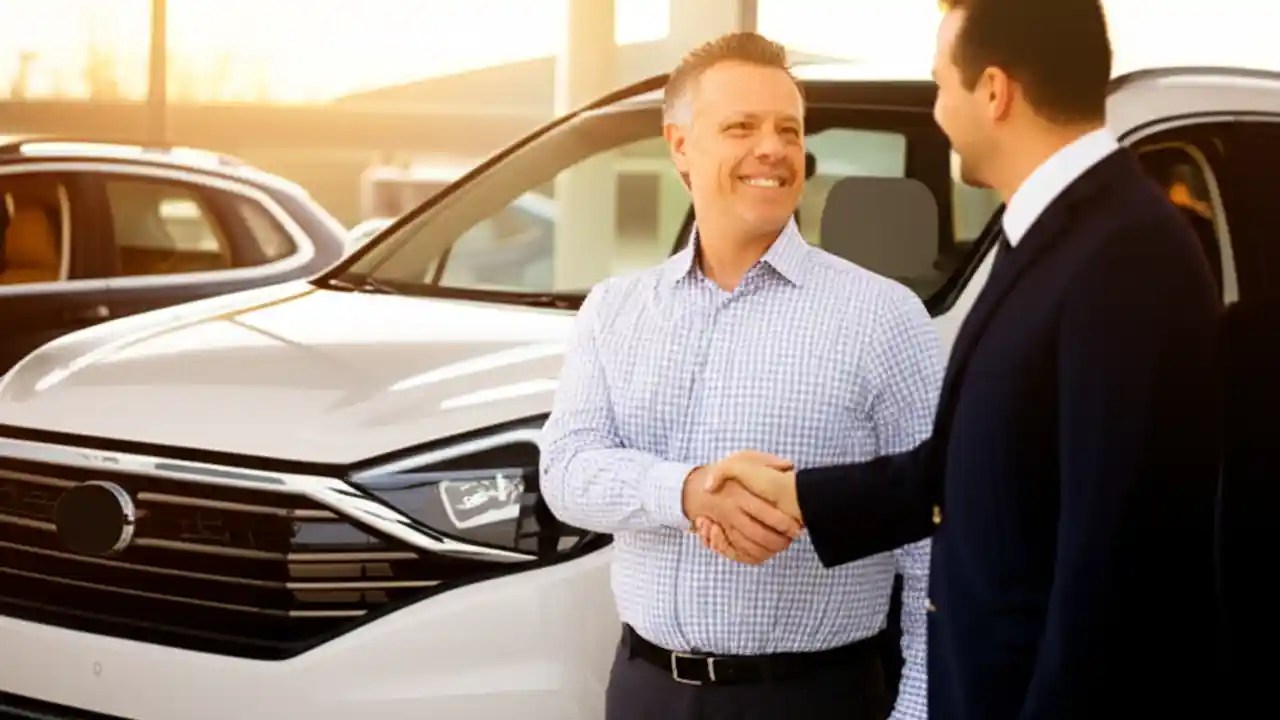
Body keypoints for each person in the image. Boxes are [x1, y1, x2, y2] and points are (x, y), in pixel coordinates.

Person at [696, 2, 1224, 718]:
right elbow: (967, 467)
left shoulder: (1129, 255)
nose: (940, 111)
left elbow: (1112, 568)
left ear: (996, 92)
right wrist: (796, 495)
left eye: (943, 85)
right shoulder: (1048, 235)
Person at [538, 31, 943, 720]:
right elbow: (565, 472)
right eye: (741, 127)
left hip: (814, 699)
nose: (773, 148)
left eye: (789, 129)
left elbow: (935, 544)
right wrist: (688, 491)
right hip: (644, 692)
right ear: (680, 147)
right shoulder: (615, 310)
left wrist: (917, 710)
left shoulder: (884, 318)